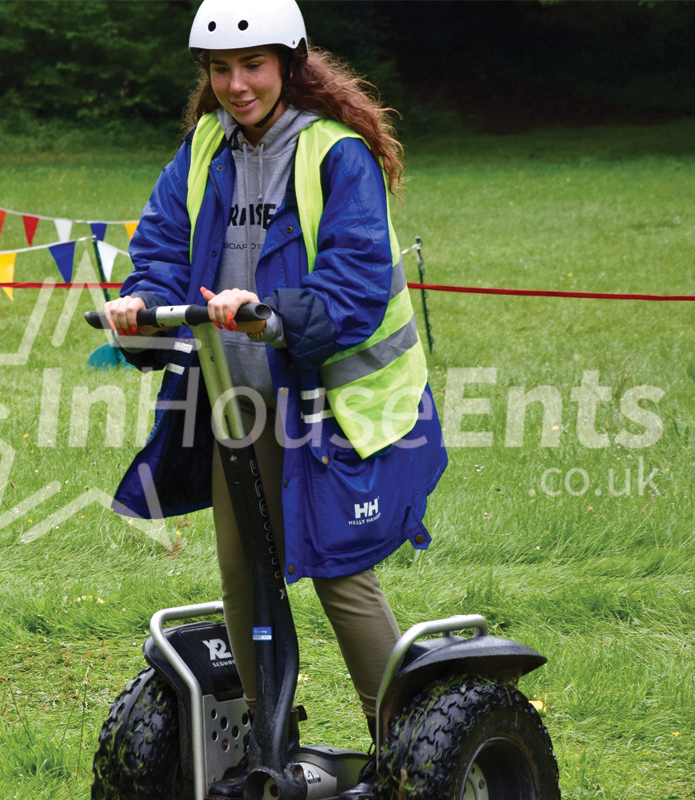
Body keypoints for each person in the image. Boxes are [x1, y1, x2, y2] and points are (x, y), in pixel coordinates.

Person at [103, 1, 447, 797]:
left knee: (338, 573)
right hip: (240, 401)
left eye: (251, 66)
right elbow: (158, 248)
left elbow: (356, 284)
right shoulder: (203, 149)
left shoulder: (335, 154)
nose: (235, 84)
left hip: (334, 404)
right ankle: (268, 751)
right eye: (219, 70)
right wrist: (137, 307)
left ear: (287, 64)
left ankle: (408, 753)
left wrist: (269, 312)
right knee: (242, 573)